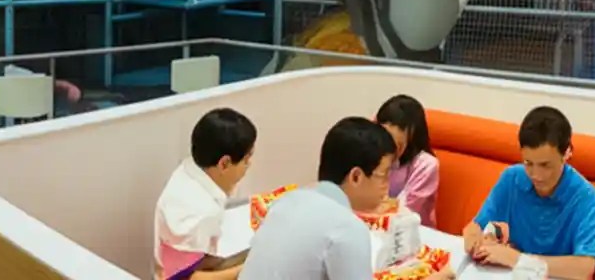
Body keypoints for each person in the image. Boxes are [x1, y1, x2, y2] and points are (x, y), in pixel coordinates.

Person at [241, 117, 454, 279]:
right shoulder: (345, 227)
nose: (386, 187)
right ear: (356, 176)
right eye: (384, 174)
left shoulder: (285, 202)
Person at [462, 106, 595, 280]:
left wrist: (518, 259)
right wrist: (474, 239)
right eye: (528, 163)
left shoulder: (586, 197)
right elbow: (476, 226)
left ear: (567, 153)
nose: (536, 175)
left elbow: (584, 268)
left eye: (545, 165)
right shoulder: (512, 178)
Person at [153, 108, 257, 280]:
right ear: (224, 164)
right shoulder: (200, 214)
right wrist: (247, 268)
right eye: (247, 159)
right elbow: (183, 278)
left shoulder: (187, 171)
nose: (249, 164)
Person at [376, 94, 440, 226]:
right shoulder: (374, 152)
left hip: (414, 232)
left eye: (397, 145)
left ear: (412, 138)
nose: (389, 149)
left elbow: (403, 210)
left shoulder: (426, 164)